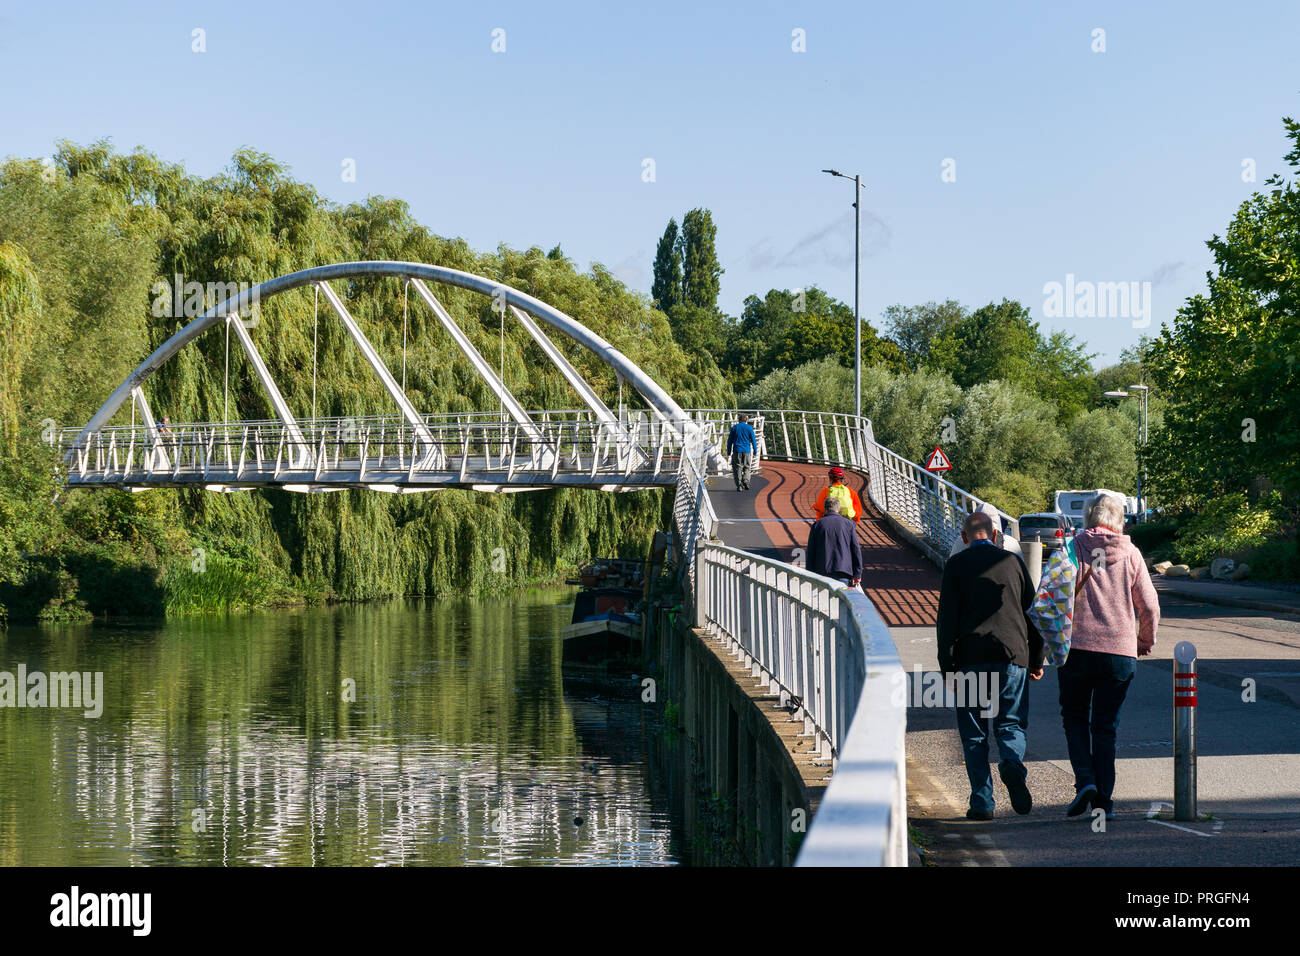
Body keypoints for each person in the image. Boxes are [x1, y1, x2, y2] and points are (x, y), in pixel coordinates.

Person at [1058, 490, 1160, 821]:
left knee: (1074, 717)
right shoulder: (1131, 553)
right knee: (1105, 727)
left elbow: (1053, 593)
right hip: (1118, 653)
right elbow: (1149, 604)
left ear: (1089, 518)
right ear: (1119, 520)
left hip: (1077, 649)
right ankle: (1104, 801)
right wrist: (1145, 639)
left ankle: (1085, 780)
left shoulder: (1072, 548)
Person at [936, 510, 1044, 820]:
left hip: (970, 660)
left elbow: (947, 622)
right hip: (1012, 656)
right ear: (995, 536)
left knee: (974, 735)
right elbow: (1033, 614)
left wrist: (948, 667)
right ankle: (1011, 763)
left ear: (964, 537)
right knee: (1010, 723)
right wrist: (1036, 659)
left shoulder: (955, 566)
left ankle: (982, 803)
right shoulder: (1013, 563)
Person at [806, 496, 862, 588]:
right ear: (838, 509)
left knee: (824, 601)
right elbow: (855, 550)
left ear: (825, 508)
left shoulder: (817, 525)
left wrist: (809, 574)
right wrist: (857, 573)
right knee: (842, 600)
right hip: (844, 572)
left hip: (822, 572)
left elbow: (811, 552)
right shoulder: (849, 524)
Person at [726, 413, 757, 491]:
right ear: (746, 420)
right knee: (747, 467)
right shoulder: (749, 428)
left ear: (739, 420)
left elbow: (729, 441)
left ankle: (739, 485)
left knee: (737, 468)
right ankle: (746, 481)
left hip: (737, 451)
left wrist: (729, 451)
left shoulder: (734, 428)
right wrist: (755, 451)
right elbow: (753, 440)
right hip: (746, 451)